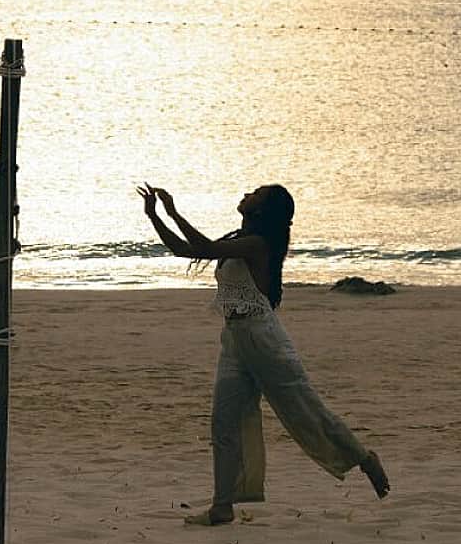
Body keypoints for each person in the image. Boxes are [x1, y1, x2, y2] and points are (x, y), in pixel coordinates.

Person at [136, 183, 389, 526]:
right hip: (234, 340)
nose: (245, 193)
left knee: (305, 409)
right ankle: (222, 506)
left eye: (256, 193)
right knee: (224, 423)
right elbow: (184, 249)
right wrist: (154, 216)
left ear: (262, 209)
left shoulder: (259, 244)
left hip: (264, 339)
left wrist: (173, 211)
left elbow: (205, 246)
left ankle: (364, 458)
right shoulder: (241, 240)